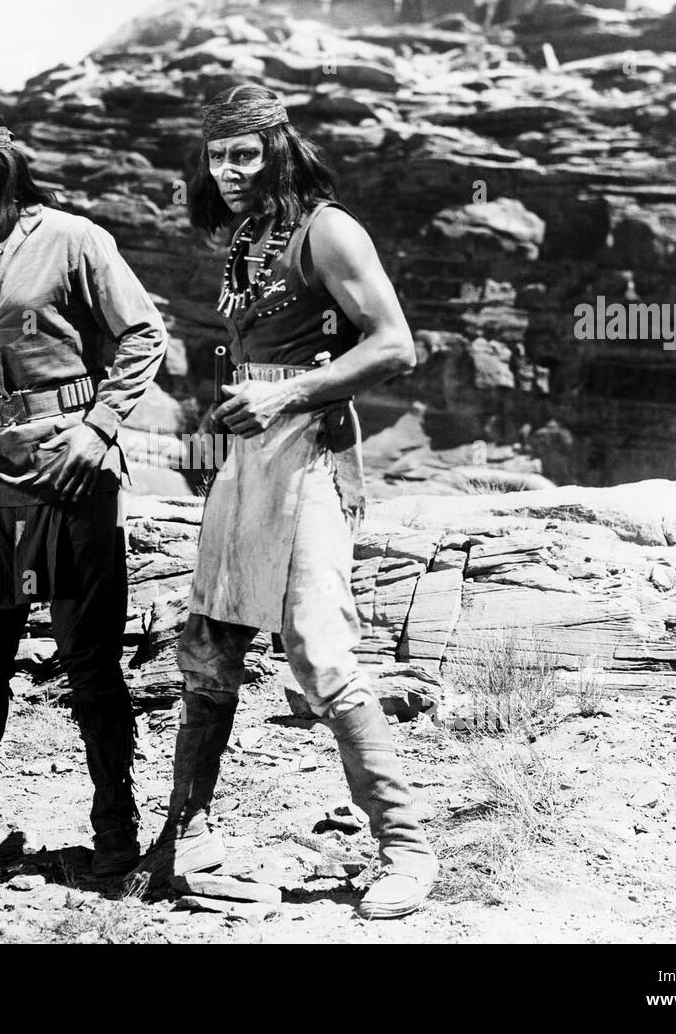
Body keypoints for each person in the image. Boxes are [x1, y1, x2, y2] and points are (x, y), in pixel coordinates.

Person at [132, 84, 438, 918]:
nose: (229, 171)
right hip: (247, 458)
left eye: (245, 153)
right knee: (209, 643)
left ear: (278, 149)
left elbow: (395, 344)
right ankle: (183, 842)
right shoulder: (241, 239)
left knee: (319, 650)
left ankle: (406, 849)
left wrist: (286, 394)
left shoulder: (326, 230)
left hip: (309, 451)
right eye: (217, 155)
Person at [0, 103, 167, 875]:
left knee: (89, 656)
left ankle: (116, 827)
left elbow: (143, 334)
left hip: (72, 466)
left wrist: (100, 428)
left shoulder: (73, 239)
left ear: (5, 164)